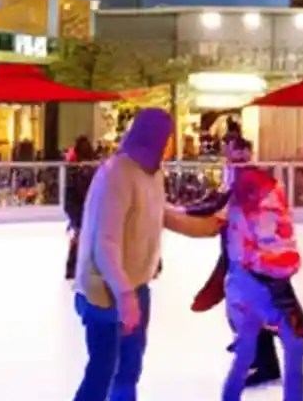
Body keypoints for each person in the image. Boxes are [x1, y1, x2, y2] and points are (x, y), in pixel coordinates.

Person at [71, 108, 224, 401]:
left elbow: (162, 214)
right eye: (167, 137)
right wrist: (125, 296)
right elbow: (105, 242)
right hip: (103, 290)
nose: (169, 144)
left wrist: (209, 227)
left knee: (129, 370)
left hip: (135, 285)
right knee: (103, 371)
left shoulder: (151, 171)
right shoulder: (117, 174)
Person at [186, 137, 282, 389]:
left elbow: (218, 202)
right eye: (230, 154)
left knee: (249, 306)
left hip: (250, 254)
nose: (232, 159)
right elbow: (219, 200)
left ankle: (265, 363)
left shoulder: (247, 177)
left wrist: (181, 212)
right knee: (241, 305)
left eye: (237, 154)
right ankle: (253, 352)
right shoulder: (236, 175)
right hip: (240, 251)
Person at [222, 156, 303, 401]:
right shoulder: (256, 210)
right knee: (294, 343)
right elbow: (282, 256)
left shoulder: (239, 210)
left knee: (246, 353)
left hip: (244, 291)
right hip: (265, 290)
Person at [64, 136, 98, 280]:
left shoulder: (74, 172)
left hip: (80, 213)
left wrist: (74, 219)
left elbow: (69, 198)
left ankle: (73, 269)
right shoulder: (98, 171)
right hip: (93, 214)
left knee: (79, 241)